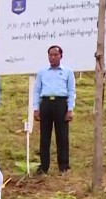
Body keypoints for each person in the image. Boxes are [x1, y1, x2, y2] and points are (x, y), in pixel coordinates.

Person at [33, 45, 76, 175]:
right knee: (44, 136)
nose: (52, 57)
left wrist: (70, 109)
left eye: (55, 55)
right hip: (46, 103)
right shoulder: (42, 72)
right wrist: (36, 108)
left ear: (60, 56)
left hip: (61, 103)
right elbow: (37, 90)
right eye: (50, 55)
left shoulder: (68, 71)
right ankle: (44, 166)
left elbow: (71, 91)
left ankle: (64, 166)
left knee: (62, 136)